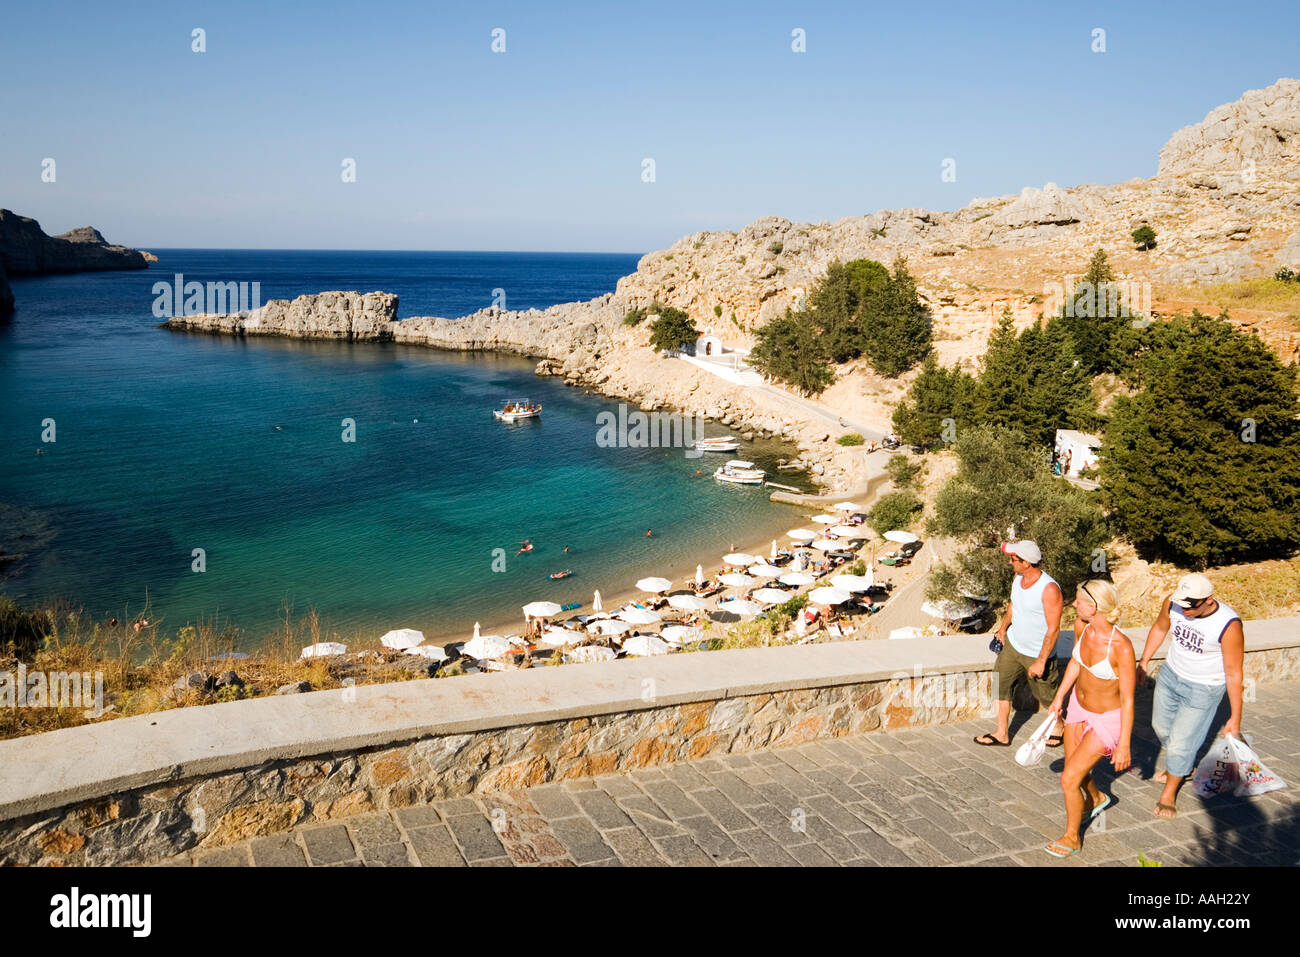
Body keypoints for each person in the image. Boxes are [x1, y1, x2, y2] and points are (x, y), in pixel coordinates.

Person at [1137, 573, 1244, 820]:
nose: (1184, 609)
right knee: (1161, 728)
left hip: (1203, 689)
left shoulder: (1228, 625)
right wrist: (1144, 661)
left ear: (1209, 600)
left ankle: (1169, 792)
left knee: (1181, 744)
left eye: (1191, 605)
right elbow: (1159, 628)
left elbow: (1234, 671)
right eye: (1181, 603)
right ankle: (1182, 765)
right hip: (1170, 675)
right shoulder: (1174, 603)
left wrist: (1235, 717)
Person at [1043, 580, 1135, 857]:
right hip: (1078, 707)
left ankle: (1072, 837)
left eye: (1079, 601)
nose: (1074, 604)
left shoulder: (1122, 647)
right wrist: (1059, 697)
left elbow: (1129, 700)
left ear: (1094, 607)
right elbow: (1075, 662)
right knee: (1075, 770)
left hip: (1107, 719)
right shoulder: (1083, 627)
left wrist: (1125, 746)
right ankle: (1096, 798)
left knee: (1069, 779)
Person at [975, 540, 1066, 746]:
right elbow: (1013, 605)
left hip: (1037, 653)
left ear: (1027, 563)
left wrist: (1042, 662)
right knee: (1000, 683)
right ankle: (1001, 733)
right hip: (1014, 645)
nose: (1010, 562)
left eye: (1013, 559)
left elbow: (1053, 629)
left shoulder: (1049, 589)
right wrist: (1003, 628)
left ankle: (1059, 724)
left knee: (1047, 697)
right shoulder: (1018, 577)